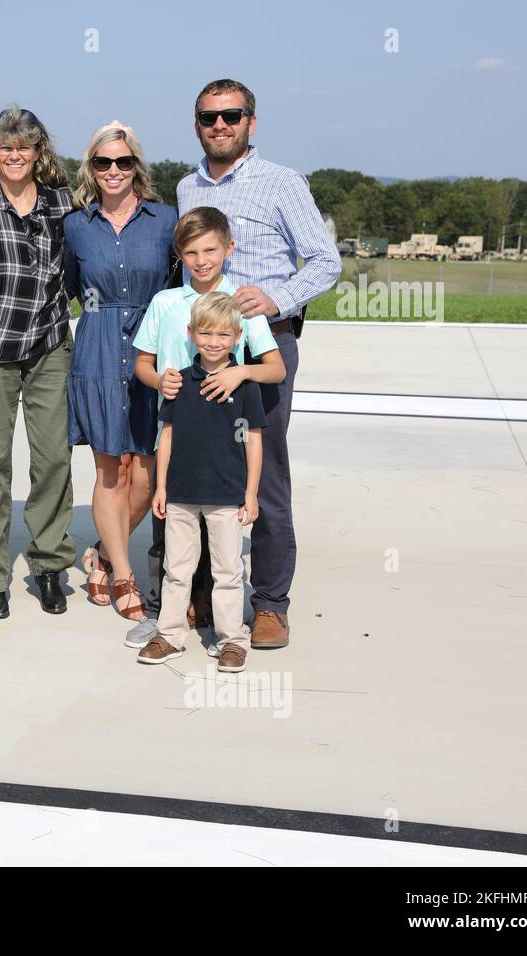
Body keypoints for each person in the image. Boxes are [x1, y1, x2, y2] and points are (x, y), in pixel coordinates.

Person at [171, 78, 341, 649]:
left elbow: (325, 262)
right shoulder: (186, 188)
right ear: (197, 123)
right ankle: (201, 590)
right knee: (197, 465)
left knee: (261, 470)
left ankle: (269, 603)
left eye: (232, 116)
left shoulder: (282, 183)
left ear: (251, 122)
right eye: (209, 117)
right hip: (202, 349)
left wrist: (278, 299)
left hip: (264, 346)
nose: (220, 125)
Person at [129, 206, 285, 648]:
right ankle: (165, 621)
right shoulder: (165, 303)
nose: (202, 260)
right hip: (177, 438)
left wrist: (241, 372)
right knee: (172, 549)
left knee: (223, 556)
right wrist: (159, 379)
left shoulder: (242, 303)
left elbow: (274, 369)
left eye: (211, 250)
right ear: (180, 255)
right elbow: (142, 363)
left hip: (224, 448)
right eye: (192, 252)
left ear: (228, 249)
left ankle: (227, 631)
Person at [0, 107, 77, 620]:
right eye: (6, 147)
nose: (15, 155)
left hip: (49, 347)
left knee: (52, 461)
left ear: (38, 150)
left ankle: (49, 566)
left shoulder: (64, 205)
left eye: (24, 146)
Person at [62, 120, 177, 622]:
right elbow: (69, 284)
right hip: (98, 347)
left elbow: (182, 282)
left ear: (136, 167)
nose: (113, 170)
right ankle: (124, 576)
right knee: (113, 469)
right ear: (91, 167)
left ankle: (103, 555)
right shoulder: (74, 225)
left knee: (146, 477)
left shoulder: (166, 220)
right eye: (103, 162)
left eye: (123, 162)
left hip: (153, 348)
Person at [139, 292, 264, 673]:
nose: (214, 342)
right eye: (206, 333)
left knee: (227, 571)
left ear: (237, 337)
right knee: (177, 568)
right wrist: (161, 487)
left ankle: (231, 640)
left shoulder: (244, 387)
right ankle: (169, 635)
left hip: (227, 495)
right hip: (180, 494)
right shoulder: (177, 382)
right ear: (192, 333)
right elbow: (168, 435)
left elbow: (254, 441)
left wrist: (251, 493)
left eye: (224, 336)